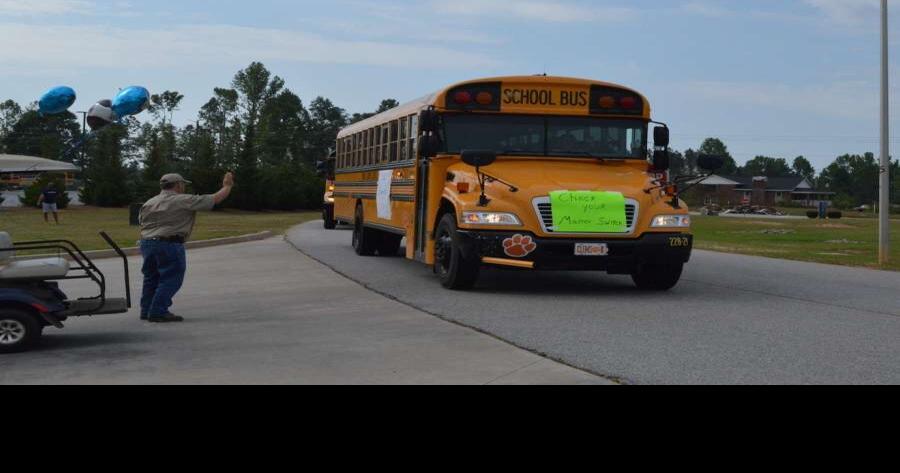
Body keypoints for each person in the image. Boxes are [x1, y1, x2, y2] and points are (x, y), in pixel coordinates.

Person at [139, 172, 235, 323]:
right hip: (169, 243)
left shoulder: (150, 202)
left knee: (151, 277)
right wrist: (227, 186)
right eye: (183, 184)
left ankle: (146, 310)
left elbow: (141, 221)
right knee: (171, 277)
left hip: (147, 243)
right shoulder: (182, 200)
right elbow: (214, 199)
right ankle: (158, 311)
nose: (183, 187)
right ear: (178, 185)